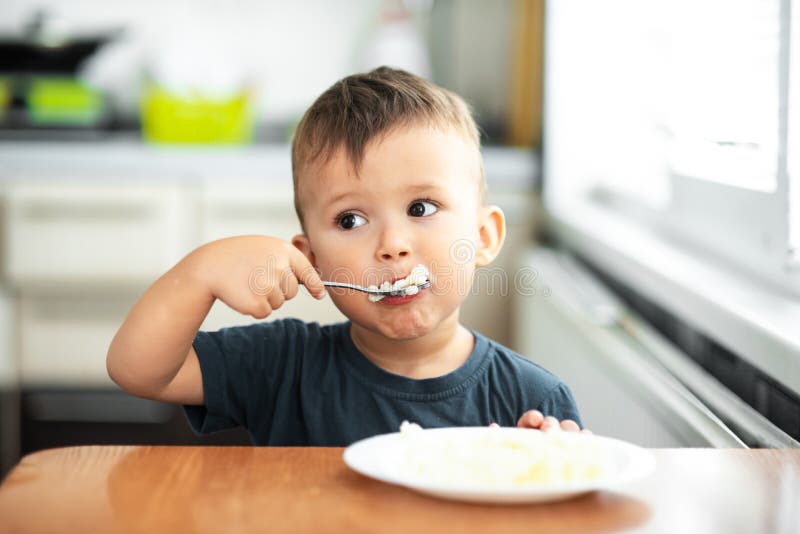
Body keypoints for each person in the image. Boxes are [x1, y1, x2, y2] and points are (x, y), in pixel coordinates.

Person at [107, 67, 586, 446]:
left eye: (421, 208)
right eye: (351, 221)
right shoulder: (282, 366)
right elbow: (138, 371)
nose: (392, 245)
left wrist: (553, 467)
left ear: (482, 236)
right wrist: (200, 272)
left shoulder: (534, 399)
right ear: (311, 260)